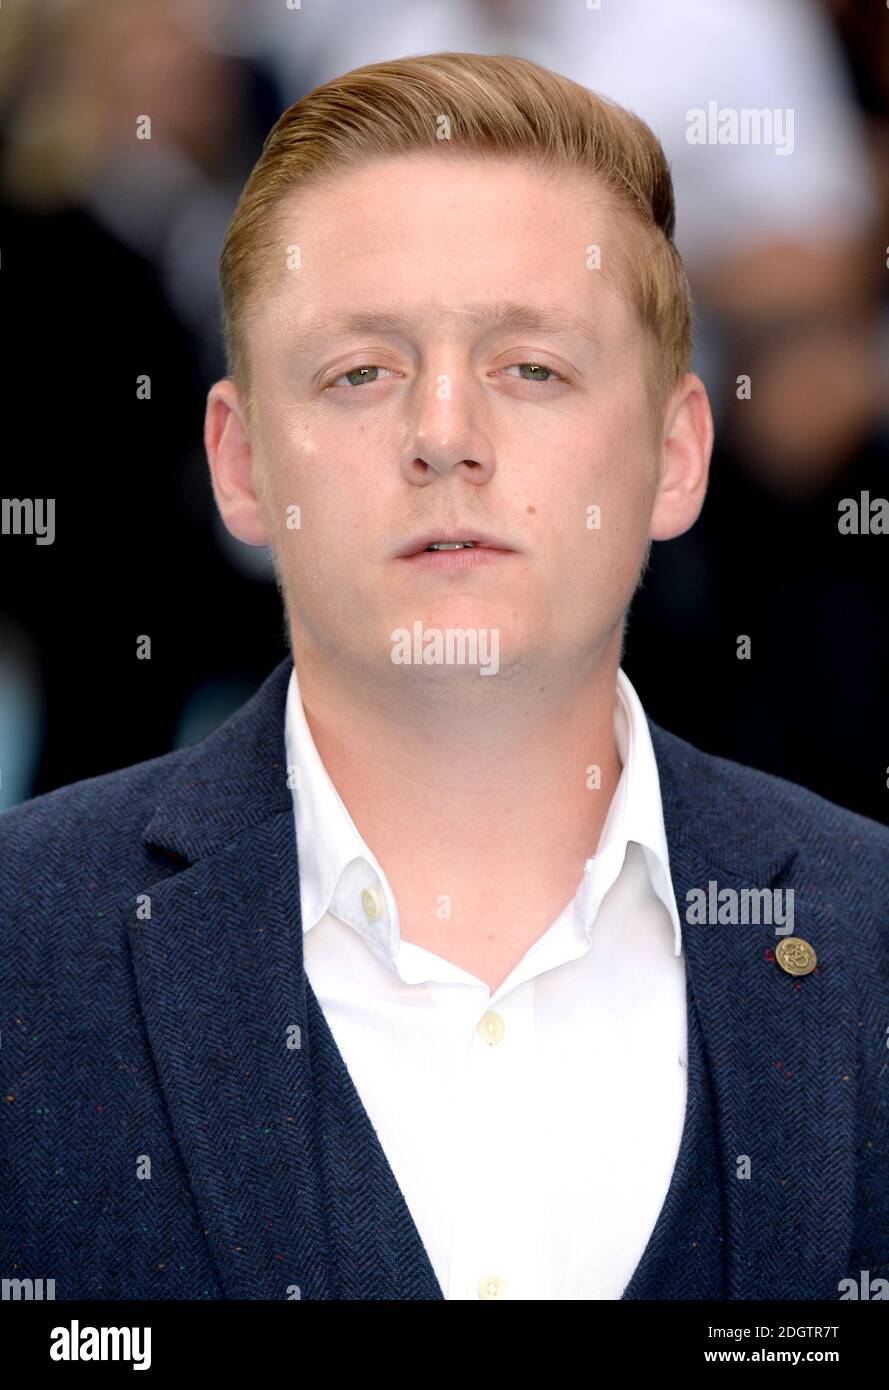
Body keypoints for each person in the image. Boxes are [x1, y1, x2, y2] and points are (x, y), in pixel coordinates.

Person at [1, 53, 886, 1302]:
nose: (444, 435)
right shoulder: (18, 949)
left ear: (676, 454)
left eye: (532, 366)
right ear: (241, 463)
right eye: (360, 371)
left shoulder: (873, 940)